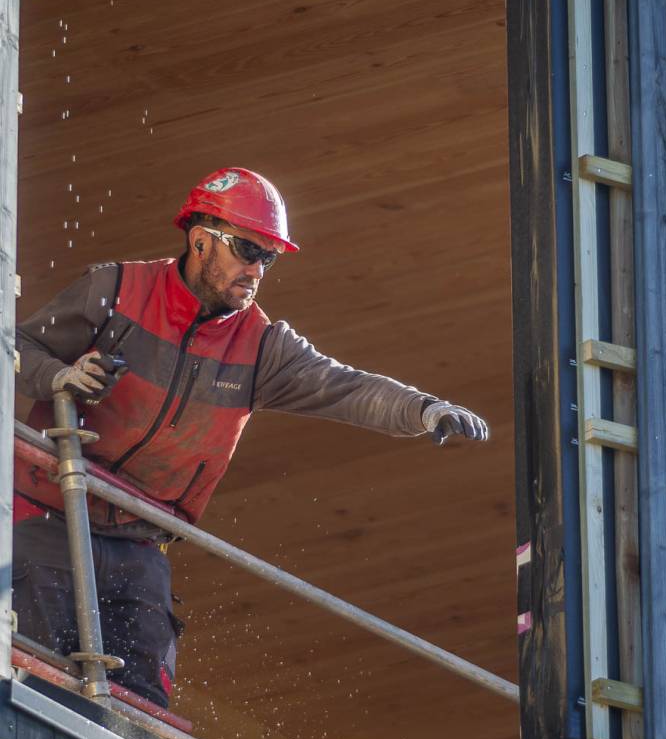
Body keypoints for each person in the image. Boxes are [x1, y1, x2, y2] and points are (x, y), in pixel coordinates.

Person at [13, 167, 489, 708]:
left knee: (141, 708)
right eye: (246, 249)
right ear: (199, 239)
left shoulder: (261, 347)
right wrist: (59, 377)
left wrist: (423, 410)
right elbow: (18, 346)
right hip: (46, 510)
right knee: (34, 670)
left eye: (269, 257)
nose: (256, 269)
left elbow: (342, 385)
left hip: (139, 540)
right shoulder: (115, 290)